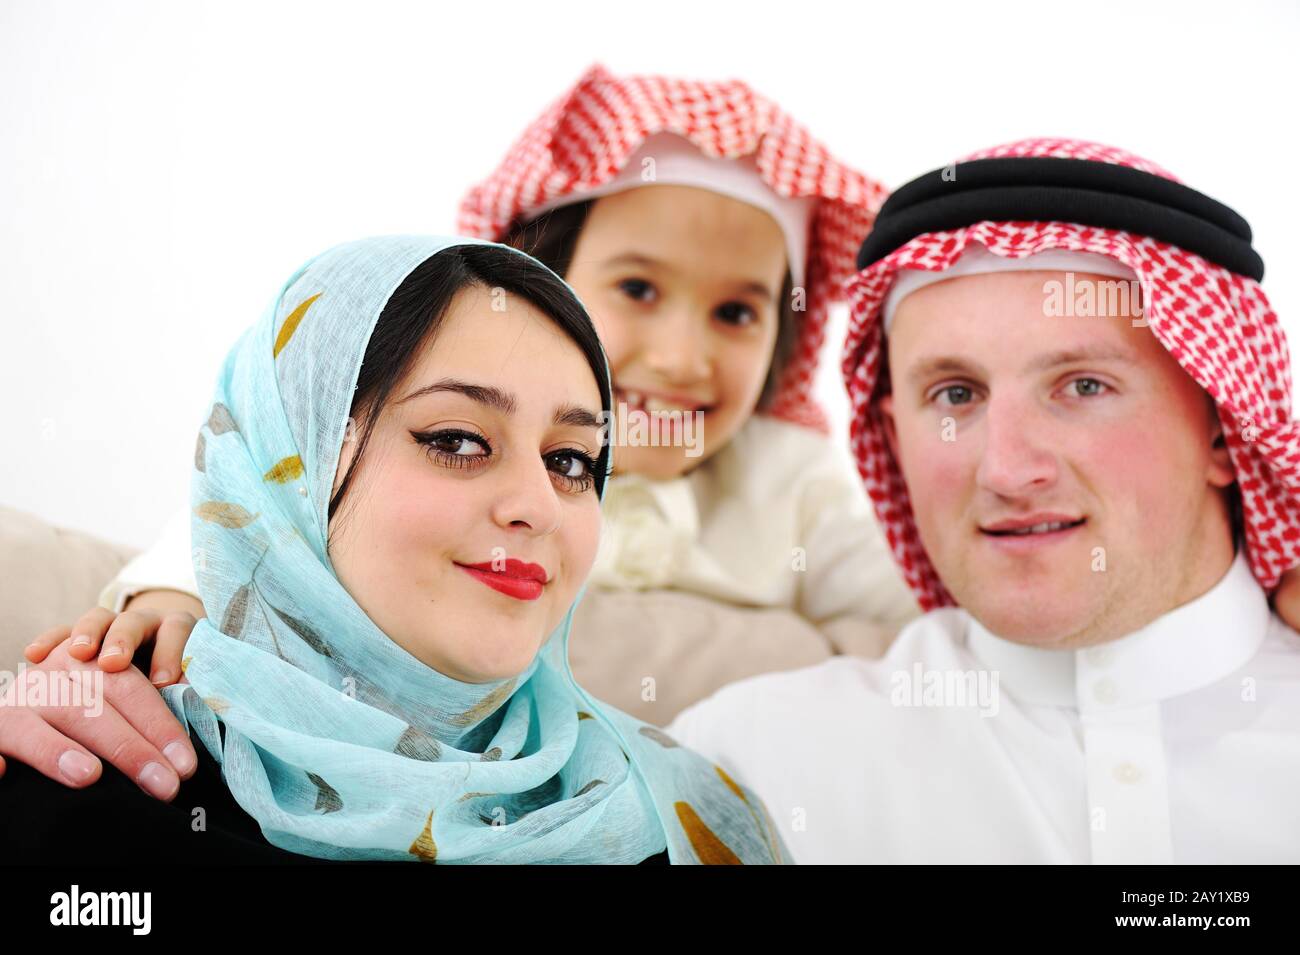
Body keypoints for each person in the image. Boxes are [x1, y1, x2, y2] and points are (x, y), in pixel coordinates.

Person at [0, 235, 789, 864]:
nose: (539, 506)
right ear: (288, 468)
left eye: (571, 460)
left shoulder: (682, 816)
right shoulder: (90, 758)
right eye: (458, 439)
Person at [664, 138, 1300, 863]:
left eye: (1083, 386)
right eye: (954, 395)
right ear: (892, 436)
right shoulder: (750, 766)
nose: (1006, 468)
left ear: (1225, 428)